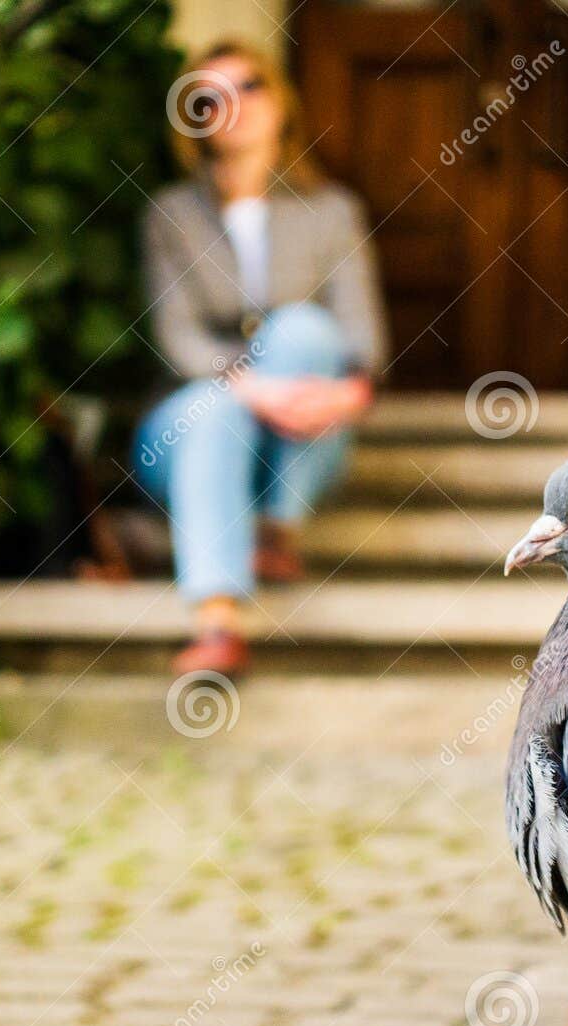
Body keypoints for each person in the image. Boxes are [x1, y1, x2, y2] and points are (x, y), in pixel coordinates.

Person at [134, 40, 387, 678]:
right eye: (210, 95)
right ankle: (218, 623)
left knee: (302, 328)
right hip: (188, 426)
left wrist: (347, 395)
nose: (234, 105)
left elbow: (363, 342)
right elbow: (179, 340)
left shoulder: (332, 212)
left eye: (250, 86)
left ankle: (276, 523)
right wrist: (252, 390)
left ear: (281, 102)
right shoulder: (170, 215)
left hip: (305, 440)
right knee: (215, 410)